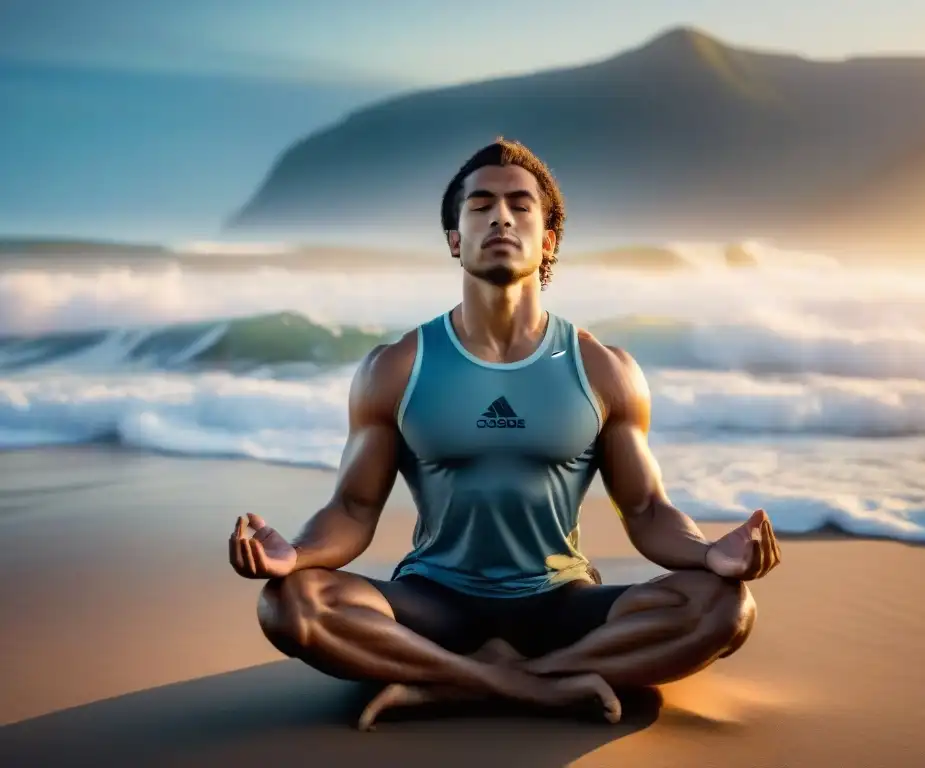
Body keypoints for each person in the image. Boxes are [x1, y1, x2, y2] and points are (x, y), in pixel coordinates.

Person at [228, 137, 781, 731]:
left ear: (547, 239)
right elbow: (354, 508)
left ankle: (445, 683)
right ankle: (530, 684)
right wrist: (299, 554)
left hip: (559, 599)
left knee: (724, 607)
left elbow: (646, 509)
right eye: (481, 204)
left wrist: (707, 554)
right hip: (435, 601)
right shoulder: (395, 367)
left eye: (521, 205)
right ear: (454, 238)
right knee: (290, 605)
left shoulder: (604, 368)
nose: (500, 216)